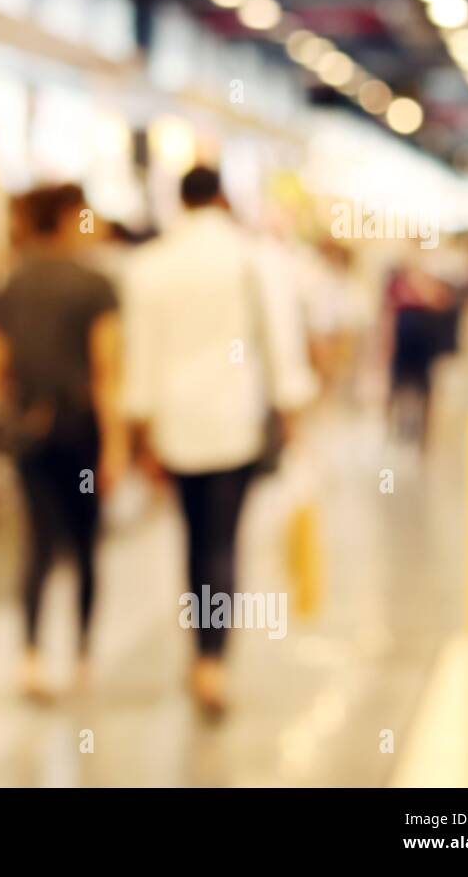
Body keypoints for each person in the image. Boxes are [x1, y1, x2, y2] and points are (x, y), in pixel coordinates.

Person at [123, 166, 315, 717]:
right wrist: (291, 412)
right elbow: (280, 343)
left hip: (176, 423)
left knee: (191, 538)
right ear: (223, 199)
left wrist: (140, 430)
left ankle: (200, 652)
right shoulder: (253, 258)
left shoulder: (151, 265)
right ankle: (215, 660)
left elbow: (142, 355)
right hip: (235, 419)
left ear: (181, 202)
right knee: (223, 540)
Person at [0, 184, 125, 701]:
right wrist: (115, 445)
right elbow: (106, 370)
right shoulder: (95, 285)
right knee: (86, 543)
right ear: (70, 218)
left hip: (30, 429)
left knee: (38, 543)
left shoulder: (11, 284)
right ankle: (84, 654)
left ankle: (30, 655)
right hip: (81, 428)